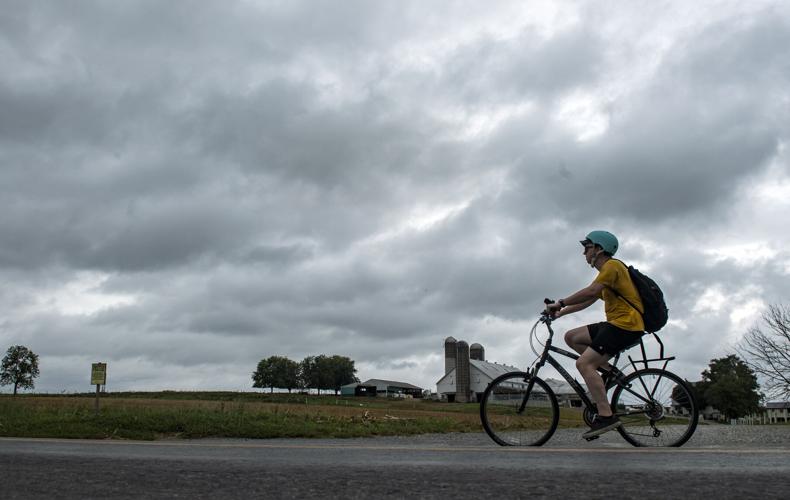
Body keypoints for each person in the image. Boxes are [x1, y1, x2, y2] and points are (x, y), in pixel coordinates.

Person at [545, 230, 646, 439]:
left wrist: (560, 302)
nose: (584, 253)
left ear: (599, 249)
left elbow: (590, 292)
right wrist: (561, 313)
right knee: (571, 337)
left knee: (584, 364)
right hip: (617, 324)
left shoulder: (612, 266)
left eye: (587, 247)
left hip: (625, 325)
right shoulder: (607, 273)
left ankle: (606, 415)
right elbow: (588, 300)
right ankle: (610, 372)